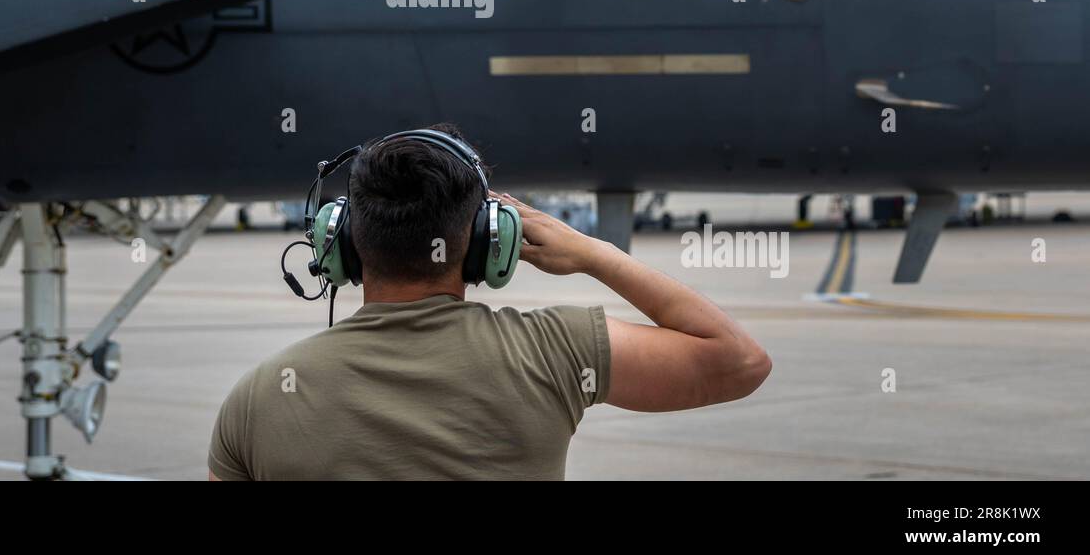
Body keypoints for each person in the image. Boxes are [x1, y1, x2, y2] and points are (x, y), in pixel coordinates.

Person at [207, 124, 771, 481]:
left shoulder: (258, 399)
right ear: (488, 246)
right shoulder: (554, 353)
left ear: (342, 242)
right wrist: (595, 255)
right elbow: (740, 362)